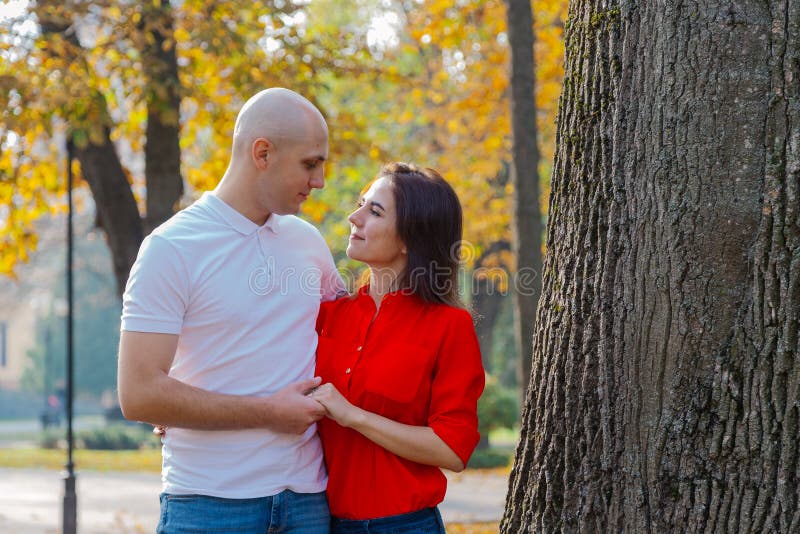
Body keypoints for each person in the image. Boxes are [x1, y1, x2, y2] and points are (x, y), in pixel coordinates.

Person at [117, 88, 346, 533]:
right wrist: (267, 412)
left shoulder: (307, 242)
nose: (319, 181)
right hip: (210, 507)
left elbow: (352, 343)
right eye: (310, 163)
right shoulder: (170, 248)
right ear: (263, 153)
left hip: (307, 504)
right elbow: (139, 393)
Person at [310, 162, 485, 533]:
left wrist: (353, 415)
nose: (353, 217)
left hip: (406, 525)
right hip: (325, 523)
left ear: (409, 237)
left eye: (374, 211)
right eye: (361, 204)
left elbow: (452, 449)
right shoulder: (328, 316)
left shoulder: (449, 326)